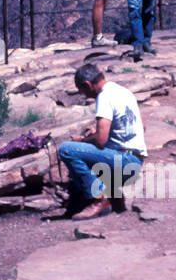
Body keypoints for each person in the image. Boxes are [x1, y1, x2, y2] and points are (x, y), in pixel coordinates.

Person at [56, 62, 147, 219]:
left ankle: (100, 199)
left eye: (83, 91)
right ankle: (114, 199)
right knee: (88, 156)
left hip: (124, 162)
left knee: (67, 149)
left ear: (88, 84)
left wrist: (84, 139)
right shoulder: (124, 91)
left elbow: (100, 140)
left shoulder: (104, 96)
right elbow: (142, 126)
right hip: (136, 161)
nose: (85, 96)